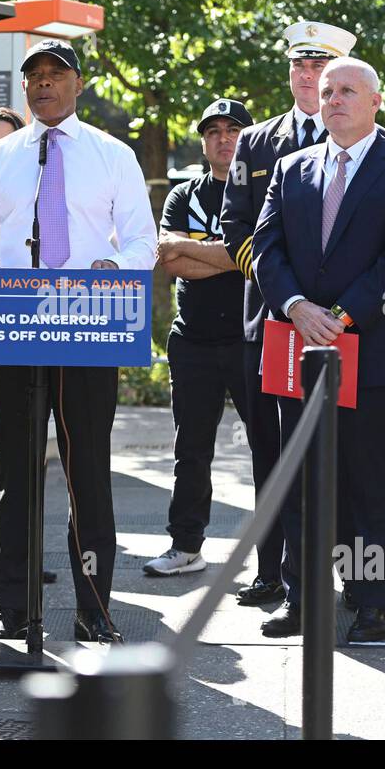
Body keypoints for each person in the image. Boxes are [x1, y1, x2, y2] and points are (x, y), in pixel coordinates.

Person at [0, 38, 156, 643]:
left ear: (77, 83)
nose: (45, 84)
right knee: (16, 477)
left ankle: (93, 607)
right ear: (25, 89)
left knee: (87, 474)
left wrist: (115, 270)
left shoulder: (113, 154)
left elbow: (143, 243)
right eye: (35, 77)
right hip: (17, 327)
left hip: (89, 327)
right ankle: (15, 610)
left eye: (56, 75)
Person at [252, 57, 385, 642]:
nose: (333, 99)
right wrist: (295, 307)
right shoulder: (290, 167)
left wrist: (340, 315)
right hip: (297, 341)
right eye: (327, 90)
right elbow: (266, 246)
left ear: (376, 102)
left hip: (368, 346)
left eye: (347, 91)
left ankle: (370, 602)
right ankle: (304, 599)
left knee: (367, 479)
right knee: (301, 475)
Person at [220, 19, 357, 608]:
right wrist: (290, 299)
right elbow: (238, 230)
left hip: (339, 325)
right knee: (270, 451)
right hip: (273, 323)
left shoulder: (360, 135)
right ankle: (273, 569)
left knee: (343, 451)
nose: (306, 76)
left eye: (318, 68)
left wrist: (326, 307)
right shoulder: (256, 141)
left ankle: (351, 574)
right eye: (299, 66)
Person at [145, 98, 252, 576]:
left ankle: (277, 557)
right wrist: (229, 255)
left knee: (270, 448)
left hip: (251, 339)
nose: (223, 139)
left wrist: (205, 253)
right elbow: (170, 259)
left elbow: (257, 259)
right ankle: (185, 546)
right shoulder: (183, 193)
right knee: (191, 449)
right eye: (213, 131)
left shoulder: (263, 190)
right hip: (193, 340)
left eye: (233, 130)